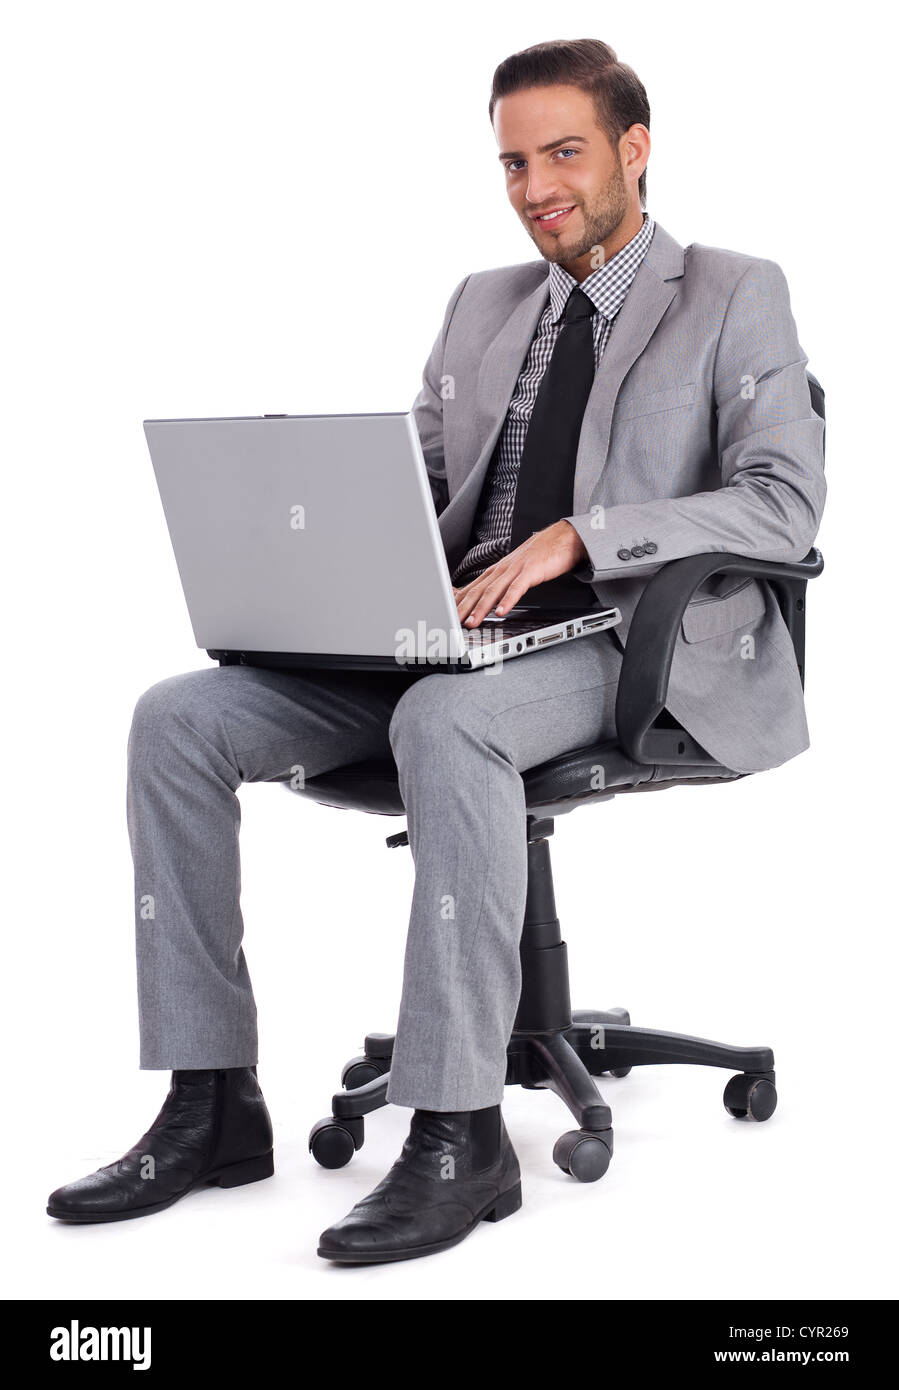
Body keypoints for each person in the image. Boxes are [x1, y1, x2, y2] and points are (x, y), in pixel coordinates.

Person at [47, 37, 825, 1263]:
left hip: (625, 644)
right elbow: (419, 483)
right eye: (512, 162)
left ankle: (459, 1130)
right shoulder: (479, 302)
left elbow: (783, 504)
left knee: (445, 721)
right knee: (176, 718)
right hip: (439, 633)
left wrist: (586, 536)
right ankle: (210, 1103)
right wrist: (312, 540)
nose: (533, 187)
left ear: (633, 148)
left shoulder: (732, 292)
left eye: (562, 153)